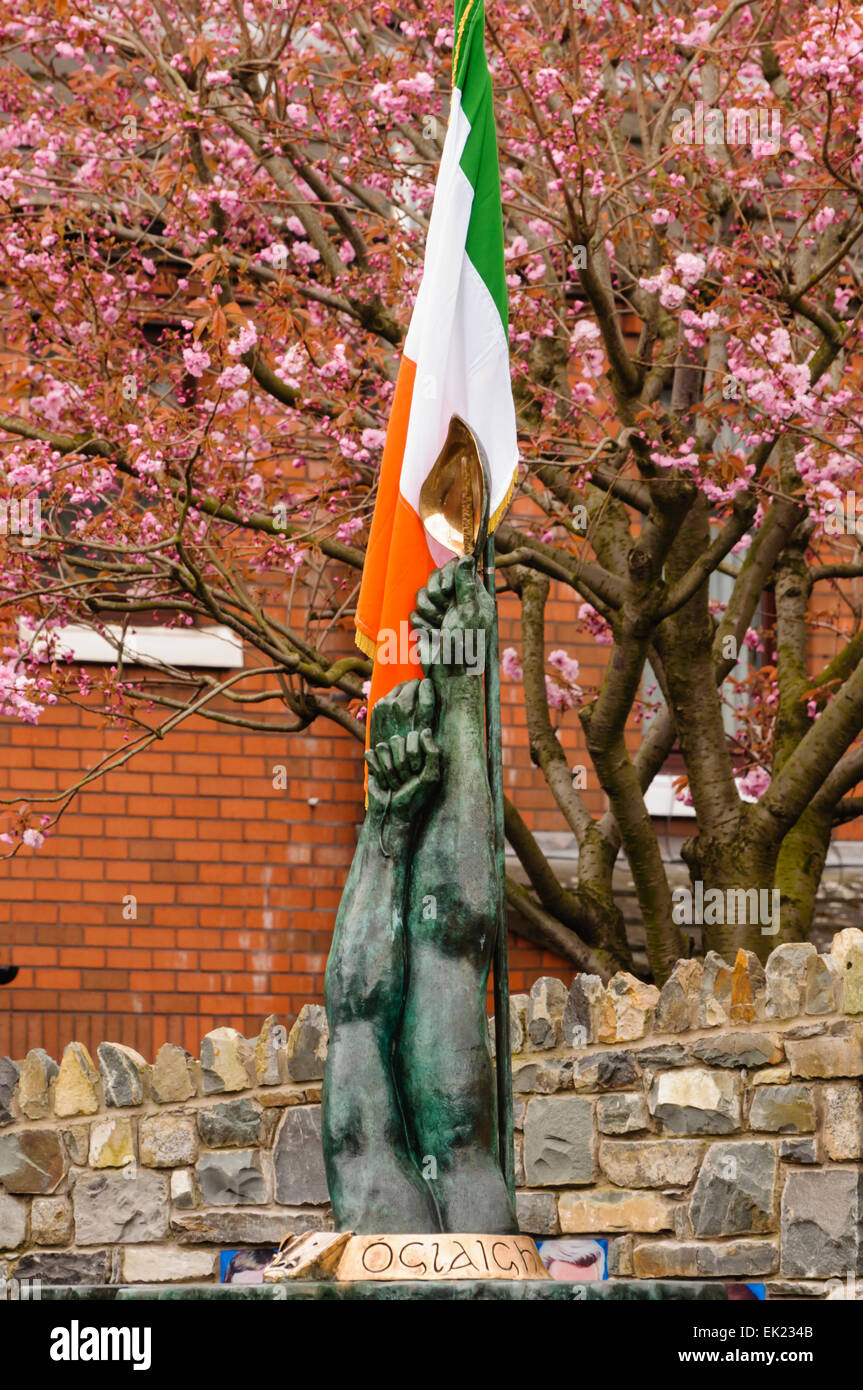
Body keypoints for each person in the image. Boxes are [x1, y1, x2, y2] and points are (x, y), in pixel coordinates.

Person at [322, 556, 515, 1234]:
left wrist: (387, 824)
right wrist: (460, 700)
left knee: (407, 1098)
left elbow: (362, 1014)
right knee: (435, 1133)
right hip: (456, 1250)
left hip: (437, 1245)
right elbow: (442, 952)